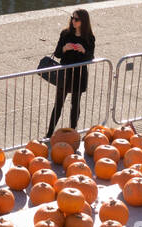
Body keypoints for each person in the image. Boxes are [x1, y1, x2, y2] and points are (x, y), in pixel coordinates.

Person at [46, 9, 95, 137]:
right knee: (58, 104)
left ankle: (72, 132)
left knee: (75, 104)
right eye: (72, 18)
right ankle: (49, 133)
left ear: (83, 21)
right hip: (65, 73)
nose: (73, 21)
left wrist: (84, 50)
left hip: (79, 75)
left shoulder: (89, 37)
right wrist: (64, 48)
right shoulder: (66, 34)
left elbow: (91, 57)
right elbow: (57, 53)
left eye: (76, 19)